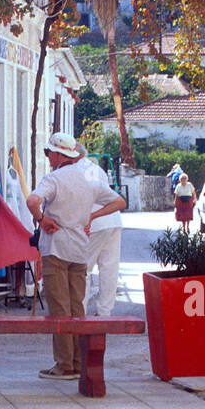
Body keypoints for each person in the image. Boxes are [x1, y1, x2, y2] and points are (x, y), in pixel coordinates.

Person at [27, 132, 126, 381]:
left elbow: (32, 200)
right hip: (79, 250)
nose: (48, 156)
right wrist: (92, 216)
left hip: (56, 248)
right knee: (76, 307)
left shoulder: (54, 179)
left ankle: (64, 365)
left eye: (49, 152)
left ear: (59, 154)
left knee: (59, 309)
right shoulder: (88, 180)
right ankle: (79, 362)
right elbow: (119, 202)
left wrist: (42, 219)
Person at [75, 142, 122, 318]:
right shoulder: (96, 169)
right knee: (109, 267)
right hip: (113, 219)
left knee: (84, 268)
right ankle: (105, 312)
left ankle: (81, 310)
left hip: (94, 222)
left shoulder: (75, 170)